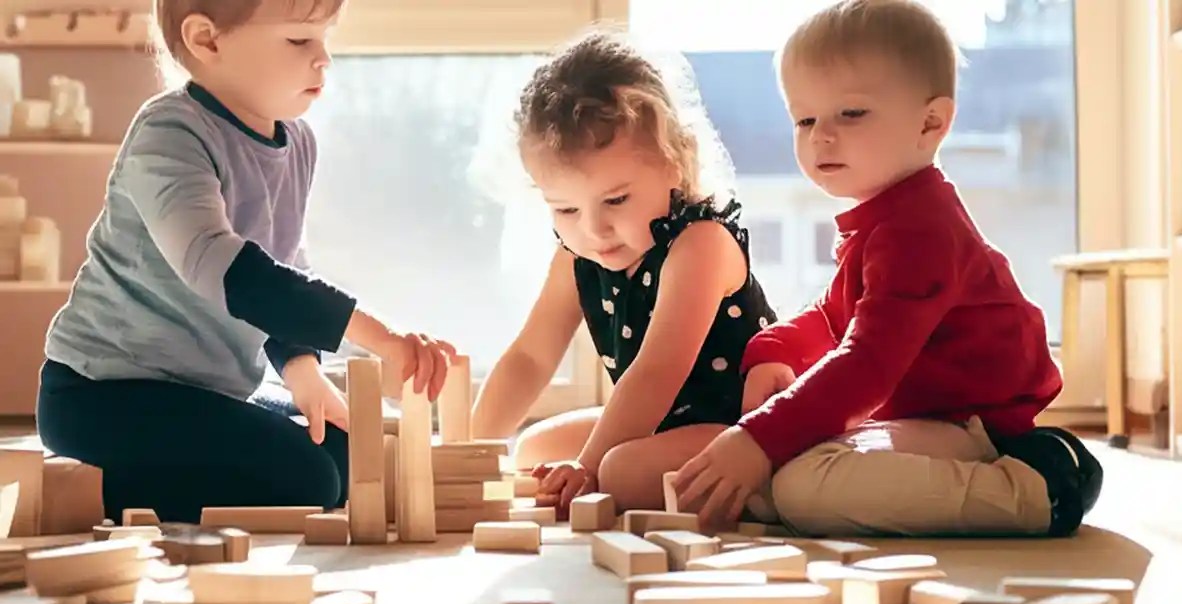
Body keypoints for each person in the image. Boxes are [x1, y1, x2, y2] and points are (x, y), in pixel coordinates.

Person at [673, 0, 1103, 537]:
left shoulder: (919, 230)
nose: (821, 136)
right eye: (805, 119)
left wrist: (758, 438)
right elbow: (834, 316)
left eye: (850, 114)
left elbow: (867, 363)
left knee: (801, 484)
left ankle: (1033, 492)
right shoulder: (882, 216)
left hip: (976, 423)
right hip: (924, 417)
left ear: (930, 123)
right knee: (790, 466)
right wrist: (773, 350)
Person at [37, 0, 455, 523]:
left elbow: (283, 267)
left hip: (204, 391)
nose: (324, 58)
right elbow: (228, 269)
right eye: (299, 41)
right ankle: (72, 493)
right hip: (104, 395)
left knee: (345, 458)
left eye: (325, 36)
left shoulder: (296, 140)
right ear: (207, 41)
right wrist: (382, 338)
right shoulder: (169, 134)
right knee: (305, 480)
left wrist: (302, 370)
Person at [472, 30, 777, 515]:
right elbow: (530, 356)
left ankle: (768, 490)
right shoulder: (579, 256)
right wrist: (466, 452)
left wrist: (588, 467)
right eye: (565, 209)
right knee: (532, 450)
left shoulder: (699, 243)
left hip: (740, 429)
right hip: (664, 429)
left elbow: (657, 372)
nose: (594, 229)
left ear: (677, 163)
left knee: (616, 473)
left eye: (615, 200)